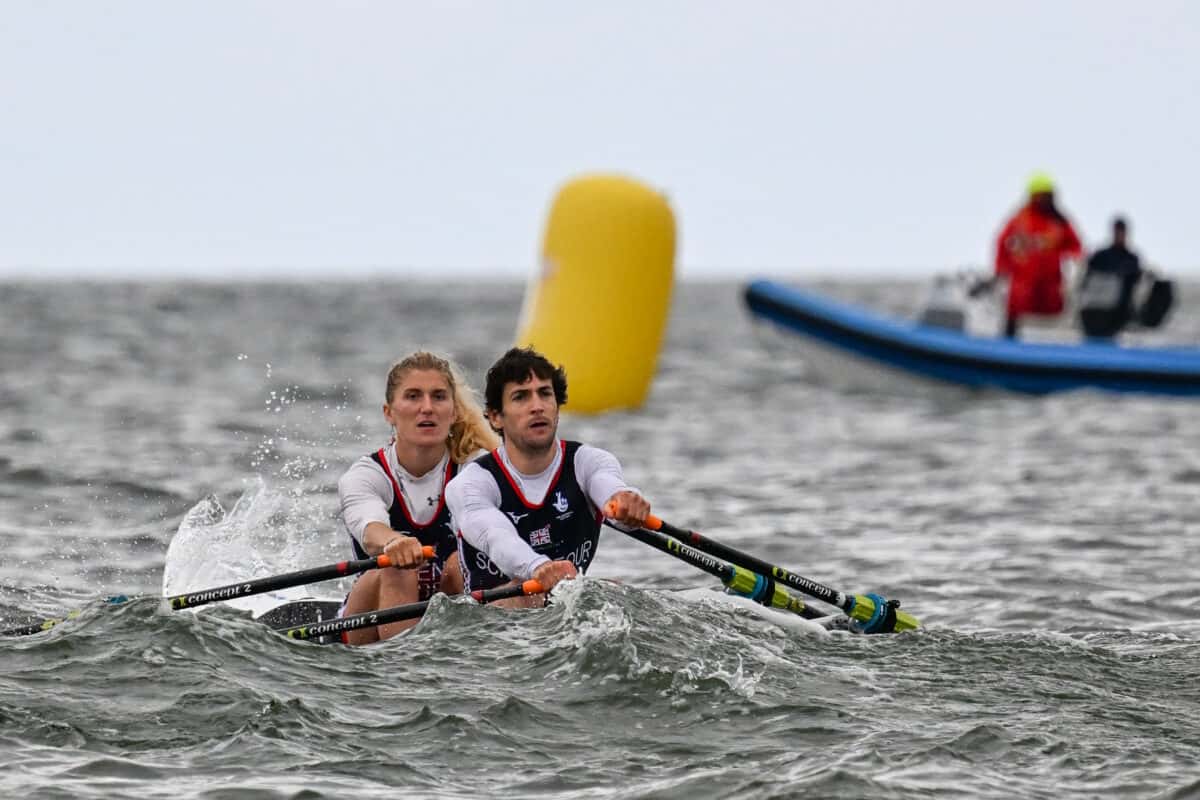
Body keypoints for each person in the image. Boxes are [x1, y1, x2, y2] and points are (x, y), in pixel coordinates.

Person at [444, 346, 650, 604]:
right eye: (521, 397)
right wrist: (536, 566)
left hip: (558, 605)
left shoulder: (589, 462)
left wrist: (628, 502)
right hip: (490, 622)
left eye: (545, 394)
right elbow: (495, 535)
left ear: (557, 407)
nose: (537, 407)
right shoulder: (471, 483)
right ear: (496, 418)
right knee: (531, 592)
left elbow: (610, 490)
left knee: (615, 593)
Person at [337, 351, 499, 644]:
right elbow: (368, 527)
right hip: (367, 623)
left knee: (458, 564)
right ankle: (406, 674)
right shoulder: (366, 475)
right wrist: (393, 542)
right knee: (399, 568)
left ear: (454, 411)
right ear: (389, 412)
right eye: (413, 397)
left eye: (438, 397)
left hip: (450, 606)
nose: (427, 408)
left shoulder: (480, 470)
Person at [994, 172, 1084, 337]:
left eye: (1049, 195)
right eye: (1043, 195)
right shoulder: (1019, 219)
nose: (1046, 199)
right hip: (1022, 286)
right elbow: (1001, 243)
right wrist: (1001, 268)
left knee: (1053, 322)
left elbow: (1076, 247)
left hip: (1051, 286)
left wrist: (1075, 265)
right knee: (1015, 318)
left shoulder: (1059, 221)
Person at [1077, 216, 1144, 338]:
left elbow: (1136, 283)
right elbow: (1085, 283)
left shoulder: (1131, 259)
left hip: (1122, 313)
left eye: (1122, 231)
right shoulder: (1100, 256)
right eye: (1117, 231)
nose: (1119, 234)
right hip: (1097, 311)